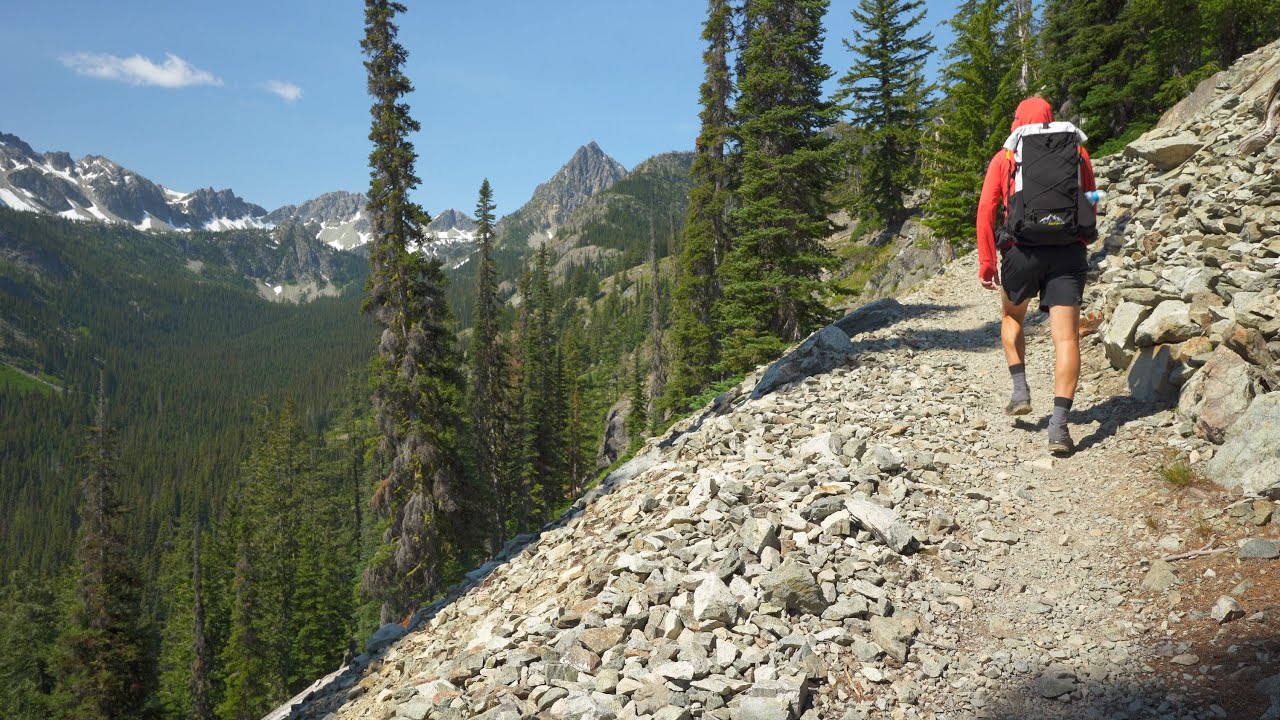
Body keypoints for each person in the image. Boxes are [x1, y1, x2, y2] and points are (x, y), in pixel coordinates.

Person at [976, 97, 1097, 454]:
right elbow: (1090, 199)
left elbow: (987, 209)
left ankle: (1020, 390)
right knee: (1066, 339)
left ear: (1017, 121)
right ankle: (1059, 428)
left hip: (1022, 251)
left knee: (1012, 317)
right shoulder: (1078, 151)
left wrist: (987, 262)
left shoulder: (1008, 156)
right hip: (1067, 251)